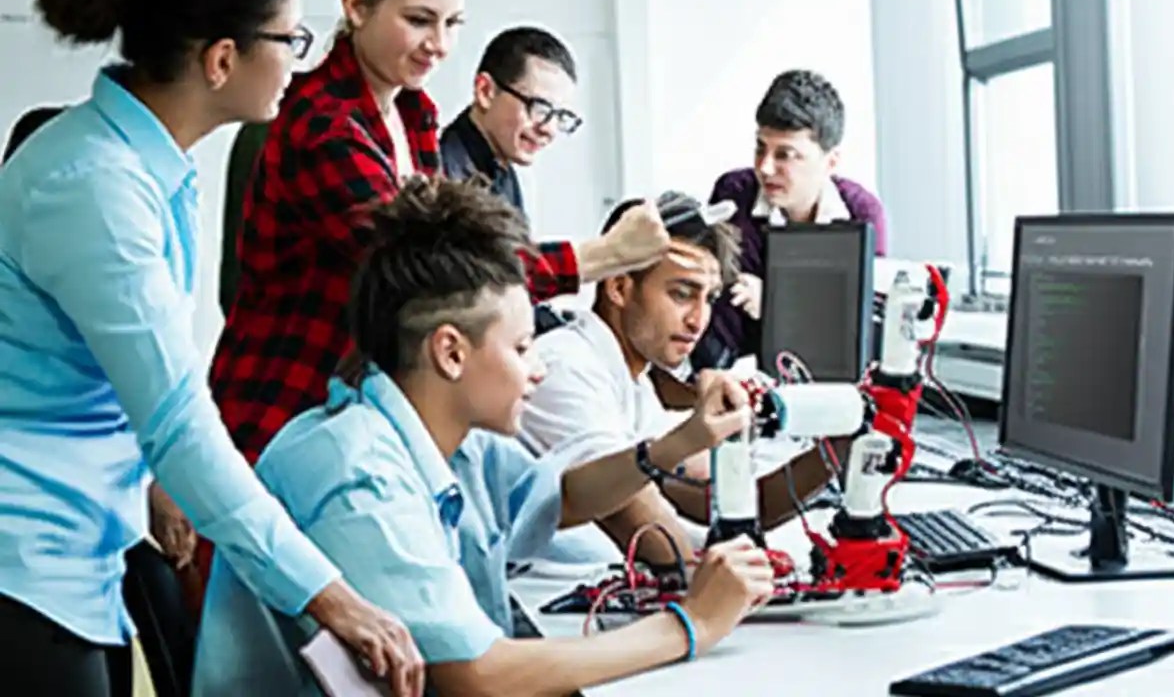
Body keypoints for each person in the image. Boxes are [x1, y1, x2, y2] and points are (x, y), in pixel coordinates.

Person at [0, 0, 424, 696]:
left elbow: (145, 379)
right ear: (222, 60)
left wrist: (162, 477)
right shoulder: (94, 184)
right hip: (27, 557)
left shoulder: (150, 165)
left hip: (84, 549)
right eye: (291, 40)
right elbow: (178, 425)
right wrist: (331, 597)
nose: (300, 61)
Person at [194, 176, 775, 696]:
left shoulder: (452, 441)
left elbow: (564, 497)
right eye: (521, 348)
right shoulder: (359, 473)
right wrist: (690, 625)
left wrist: (676, 444)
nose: (538, 367)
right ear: (450, 351)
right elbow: (475, 674)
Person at [210, 0, 671, 475]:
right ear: (356, 6)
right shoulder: (325, 126)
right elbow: (438, 271)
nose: (441, 46)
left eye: (452, 24)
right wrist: (602, 255)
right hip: (283, 411)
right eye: (419, 21)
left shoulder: (413, 114)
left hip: (357, 418)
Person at [520, 193, 848, 569]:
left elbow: (725, 503)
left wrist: (841, 445)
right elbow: (662, 545)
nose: (698, 320)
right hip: (549, 608)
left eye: (709, 298)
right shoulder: (567, 367)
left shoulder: (633, 381)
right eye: (681, 294)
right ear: (619, 288)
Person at [692, 69, 888, 372]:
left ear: (830, 162)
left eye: (785, 155)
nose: (765, 168)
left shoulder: (861, 215)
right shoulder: (734, 197)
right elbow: (724, 314)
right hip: (744, 378)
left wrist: (776, 306)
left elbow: (857, 327)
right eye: (760, 148)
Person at [439, 25, 580, 215]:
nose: (550, 129)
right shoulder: (444, 181)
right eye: (540, 108)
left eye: (559, 116)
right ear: (485, 91)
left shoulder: (500, 169)